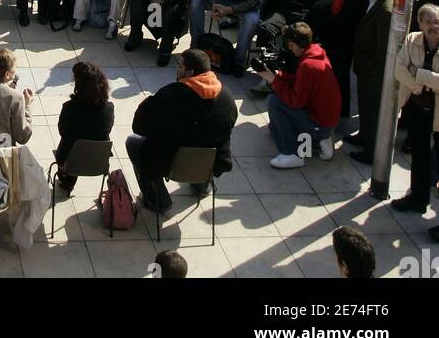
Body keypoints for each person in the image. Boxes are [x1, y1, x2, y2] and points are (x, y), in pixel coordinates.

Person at [126, 48, 237, 212]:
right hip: (208, 162)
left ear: (190, 71)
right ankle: (201, 187)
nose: (177, 69)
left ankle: (157, 200)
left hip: (170, 161)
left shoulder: (171, 95)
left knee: (133, 143)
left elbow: (139, 126)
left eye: (180, 66)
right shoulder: (227, 98)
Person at [255, 21, 341, 168]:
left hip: (319, 123)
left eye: (291, 45)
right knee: (275, 128)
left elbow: (295, 101)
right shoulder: (316, 54)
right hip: (325, 121)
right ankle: (320, 141)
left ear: (300, 44)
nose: (289, 48)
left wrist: (274, 82)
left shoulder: (308, 66)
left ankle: (292, 154)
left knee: (274, 101)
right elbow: (300, 84)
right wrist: (278, 76)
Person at [391, 3, 439, 223]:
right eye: (428, 21)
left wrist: (419, 74)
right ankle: (418, 199)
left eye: (436, 21)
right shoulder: (412, 40)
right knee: (419, 155)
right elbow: (400, 69)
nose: (433, 25)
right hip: (418, 105)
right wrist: (421, 85)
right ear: (420, 23)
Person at [347, 0, 393, 164]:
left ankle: (371, 150)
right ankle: (363, 136)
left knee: (373, 110)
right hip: (365, 68)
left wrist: (371, 69)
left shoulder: (385, 11)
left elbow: (384, 48)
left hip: (373, 72)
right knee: (365, 106)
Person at [316, 0, 367, 125]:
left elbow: (347, 24)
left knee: (340, 78)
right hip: (334, 40)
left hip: (343, 44)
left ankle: (340, 112)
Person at [53, 61, 115, 191]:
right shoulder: (109, 108)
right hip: (98, 160)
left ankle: (67, 182)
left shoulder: (69, 108)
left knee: (69, 143)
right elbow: (107, 128)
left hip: (70, 161)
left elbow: (62, 132)